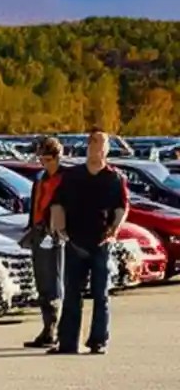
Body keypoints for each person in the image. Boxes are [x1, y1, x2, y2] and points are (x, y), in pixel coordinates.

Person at [48, 130, 128, 356]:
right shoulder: (72, 176)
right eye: (93, 143)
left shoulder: (114, 178)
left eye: (101, 144)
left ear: (107, 150)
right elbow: (57, 203)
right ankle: (68, 343)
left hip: (101, 243)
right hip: (75, 242)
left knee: (101, 294)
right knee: (72, 294)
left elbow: (122, 208)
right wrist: (61, 230)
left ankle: (98, 341)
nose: (96, 148)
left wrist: (114, 229)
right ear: (87, 147)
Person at [21, 136, 66, 348]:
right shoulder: (40, 179)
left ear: (58, 157)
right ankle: (48, 327)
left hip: (57, 235)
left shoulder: (66, 179)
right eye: (42, 159)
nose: (44, 163)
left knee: (55, 282)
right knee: (42, 283)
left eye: (48, 159)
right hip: (39, 232)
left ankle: (56, 329)